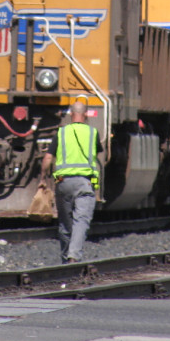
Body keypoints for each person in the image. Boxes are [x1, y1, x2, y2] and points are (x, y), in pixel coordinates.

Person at [39, 101, 103, 264]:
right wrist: (96, 186)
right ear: (86, 114)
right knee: (81, 220)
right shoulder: (92, 133)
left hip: (62, 183)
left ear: (71, 114)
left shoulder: (61, 133)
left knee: (65, 224)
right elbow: (98, 157)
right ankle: (73, 257)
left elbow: (47, 158)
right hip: (84, 183)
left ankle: (65, 259)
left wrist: (42, 179)